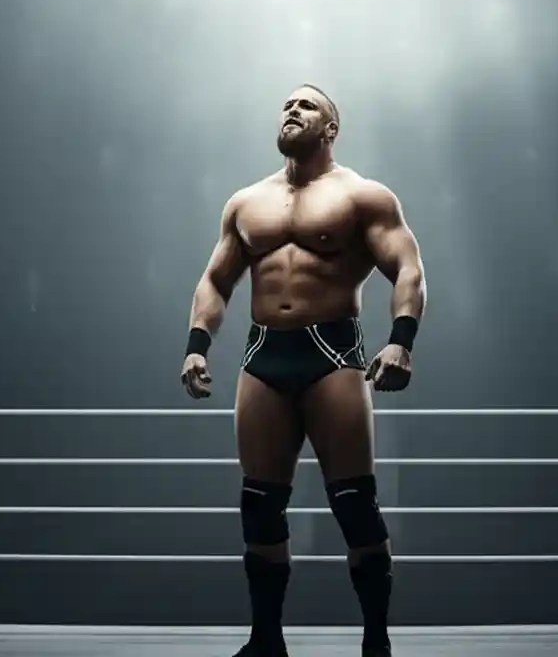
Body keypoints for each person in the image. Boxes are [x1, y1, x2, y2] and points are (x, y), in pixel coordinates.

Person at [180, 84, 427, 656]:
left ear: (331, 127)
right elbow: (215, 281)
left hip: (332, 355)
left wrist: (401, 342)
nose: (292, 110)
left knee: (353, 501)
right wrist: (197, 345)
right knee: (260, 503)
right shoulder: (246, 202)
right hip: (263, 356)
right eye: (287, 104)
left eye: (307, 105)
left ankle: (375, 640)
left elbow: (408, 269)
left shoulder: (363, 196)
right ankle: (266, 639)